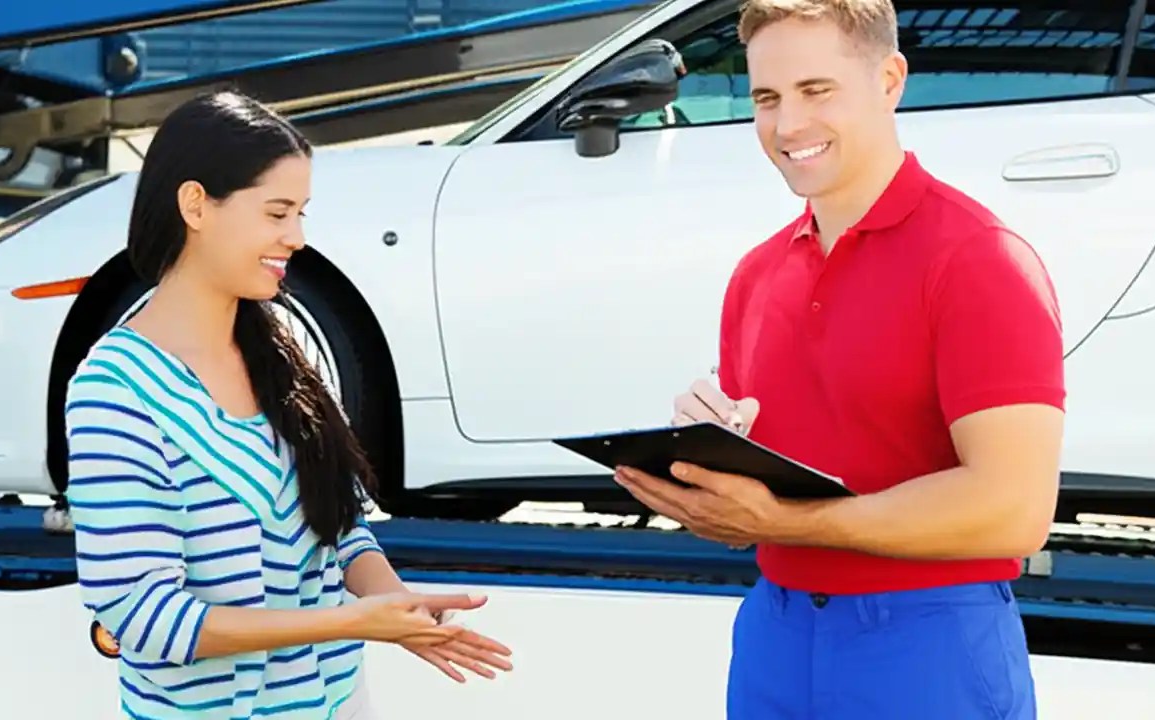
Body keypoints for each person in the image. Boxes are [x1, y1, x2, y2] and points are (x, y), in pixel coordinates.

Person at [612, 1, 1065, 718]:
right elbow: (781, 488)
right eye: (767, 98)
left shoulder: (980, 259)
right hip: (776, 634)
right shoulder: (757, 275)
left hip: (927, 642)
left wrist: (784, 523)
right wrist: (712, 460)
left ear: (889, 80)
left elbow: (1015, 511)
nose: (788, 125)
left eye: (816, 90)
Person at [64, 90, 512, 720]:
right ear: (196, 205)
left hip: (334, 703)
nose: (297, 238)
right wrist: (350, 621)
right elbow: (143, 617)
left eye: (301, 213)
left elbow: (341, 526)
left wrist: (399, 607)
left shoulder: (283, 348)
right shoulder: (115, 392)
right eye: (278, 213)